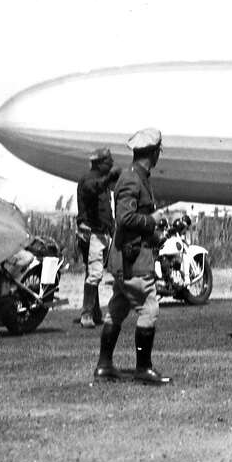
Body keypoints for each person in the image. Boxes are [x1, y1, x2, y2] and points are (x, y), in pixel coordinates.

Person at [94, 128, 171, 385]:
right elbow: (125, 218)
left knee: (117, 309)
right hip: (133, 261)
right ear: (154, 153)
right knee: (149, 308)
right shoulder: (132, 179)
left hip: (125, 259)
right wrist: (152, 220)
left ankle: (104, 366)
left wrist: (155, 235)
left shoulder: (137, 177)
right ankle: (143, 369)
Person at [74, 147, 120, 328]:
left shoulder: (102, 182)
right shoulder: (88, 180)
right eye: (109, 161)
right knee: (95, 274)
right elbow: (92, 189)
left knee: (95, 272)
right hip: (92, 233)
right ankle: (86, 314)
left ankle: (94, 312)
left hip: (102, 233)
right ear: (100, 163)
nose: (112, 163)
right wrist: (109, 178)